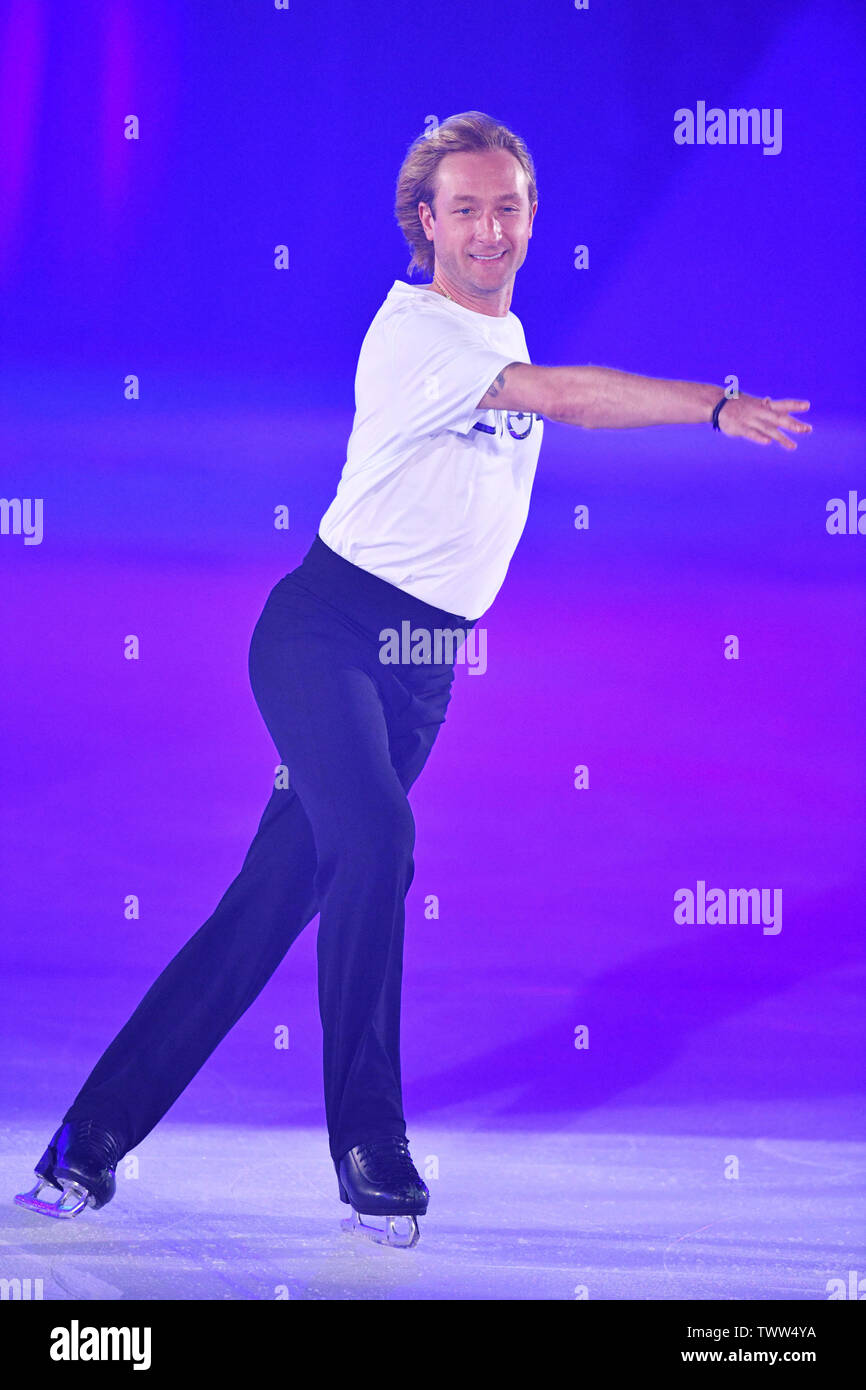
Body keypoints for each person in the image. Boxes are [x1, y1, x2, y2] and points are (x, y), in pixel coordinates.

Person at [14, 111, 811, 1250]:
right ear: (424, 222)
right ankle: (368, 1149)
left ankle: (84, 1144)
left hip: (419, 676)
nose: (489, 230)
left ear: (529, 217)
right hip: (322, 637)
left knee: (265, 907)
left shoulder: (503, 329)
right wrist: (714, 404)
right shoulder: (417, 334)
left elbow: (538, 401)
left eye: (508, 207)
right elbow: (568, 396)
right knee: (378, 843)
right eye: (467, 209)